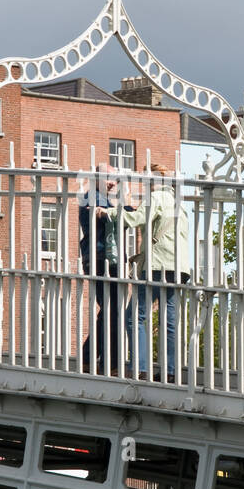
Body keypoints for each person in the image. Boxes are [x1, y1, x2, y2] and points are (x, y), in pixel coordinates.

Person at [123, 163, 190, 380]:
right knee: (169, 320)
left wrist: (110, 213)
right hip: (178, 268)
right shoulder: (179, 204)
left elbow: (135, 219)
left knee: (135, 316)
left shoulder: (157, 198)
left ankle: (140, 368)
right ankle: (171, 372)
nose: (145, 183)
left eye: (147, 179)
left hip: (157, 265)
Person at [78, 165, 122, 374]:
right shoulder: (92, 198)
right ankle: (109, 363)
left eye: (115, 179)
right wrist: (130, 210)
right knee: (113, 310)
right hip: (101, 258)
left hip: (99, 257)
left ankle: (90, 357)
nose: (113, 183)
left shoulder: (98, 198)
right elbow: (115, 216)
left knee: (110, 310)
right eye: (109, 178)